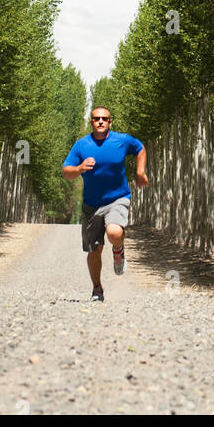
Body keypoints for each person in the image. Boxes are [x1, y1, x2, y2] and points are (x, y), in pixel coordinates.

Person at [62, 108, 147, 301]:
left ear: (110, 122)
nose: (100, 121)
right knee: (94, 250)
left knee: (114, 232)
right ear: (91, 122)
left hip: (118, 198)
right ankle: (97, 289)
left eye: (104, 119)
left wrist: (140, 172)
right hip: (91, 205)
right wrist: (79, 168)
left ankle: (118, 249)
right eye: (96, 118)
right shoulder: (81, 145)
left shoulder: (122, 140)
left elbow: (140, 148)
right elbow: (67, 171)